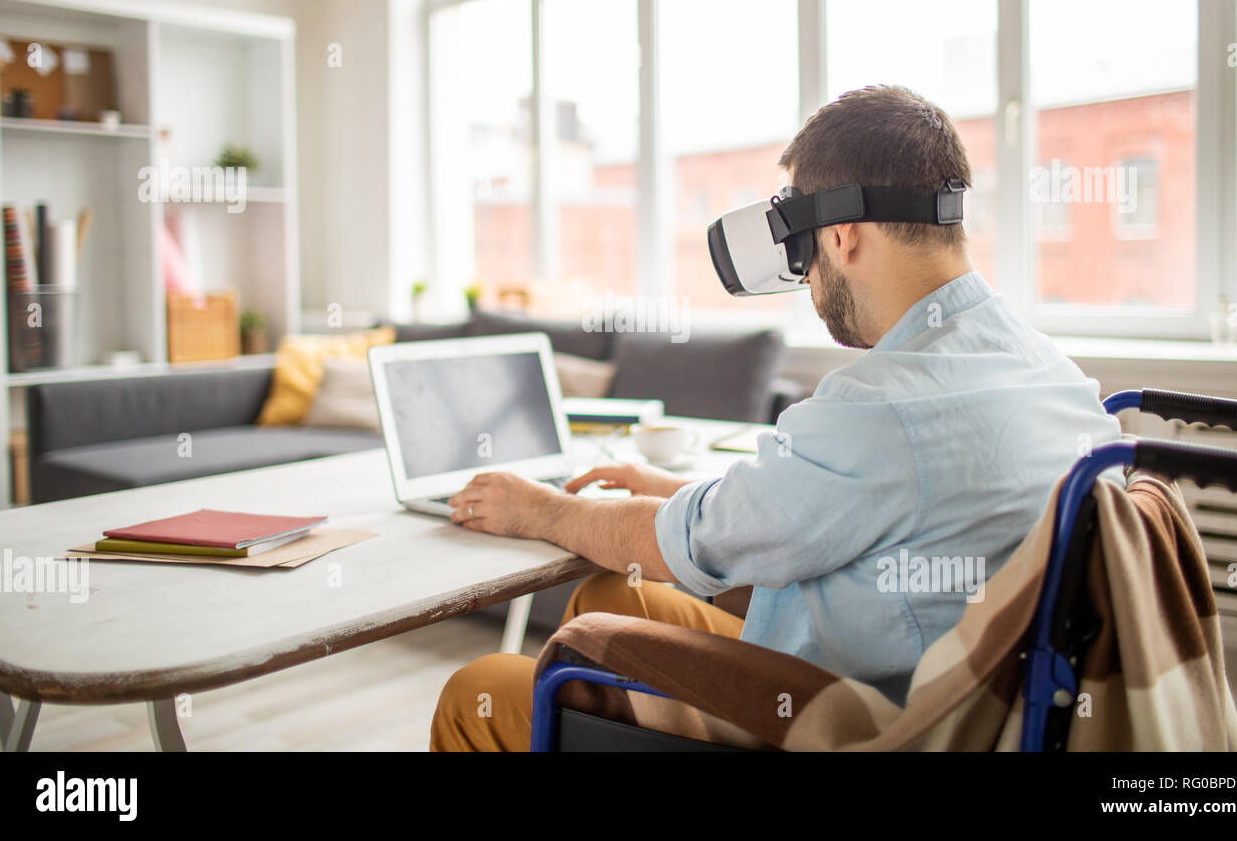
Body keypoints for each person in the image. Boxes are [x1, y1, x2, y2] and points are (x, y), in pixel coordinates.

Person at [429, 84, 1120, 751]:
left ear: (843, 237)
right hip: (966, 698)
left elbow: (688, 545)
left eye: (804, 252)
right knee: (620, 595)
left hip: (876, 722)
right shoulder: (1048, 372)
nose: (809, 279)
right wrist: (658, 487)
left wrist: (538, 510)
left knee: (481, 688)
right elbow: (796, 510)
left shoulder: (883, 404)